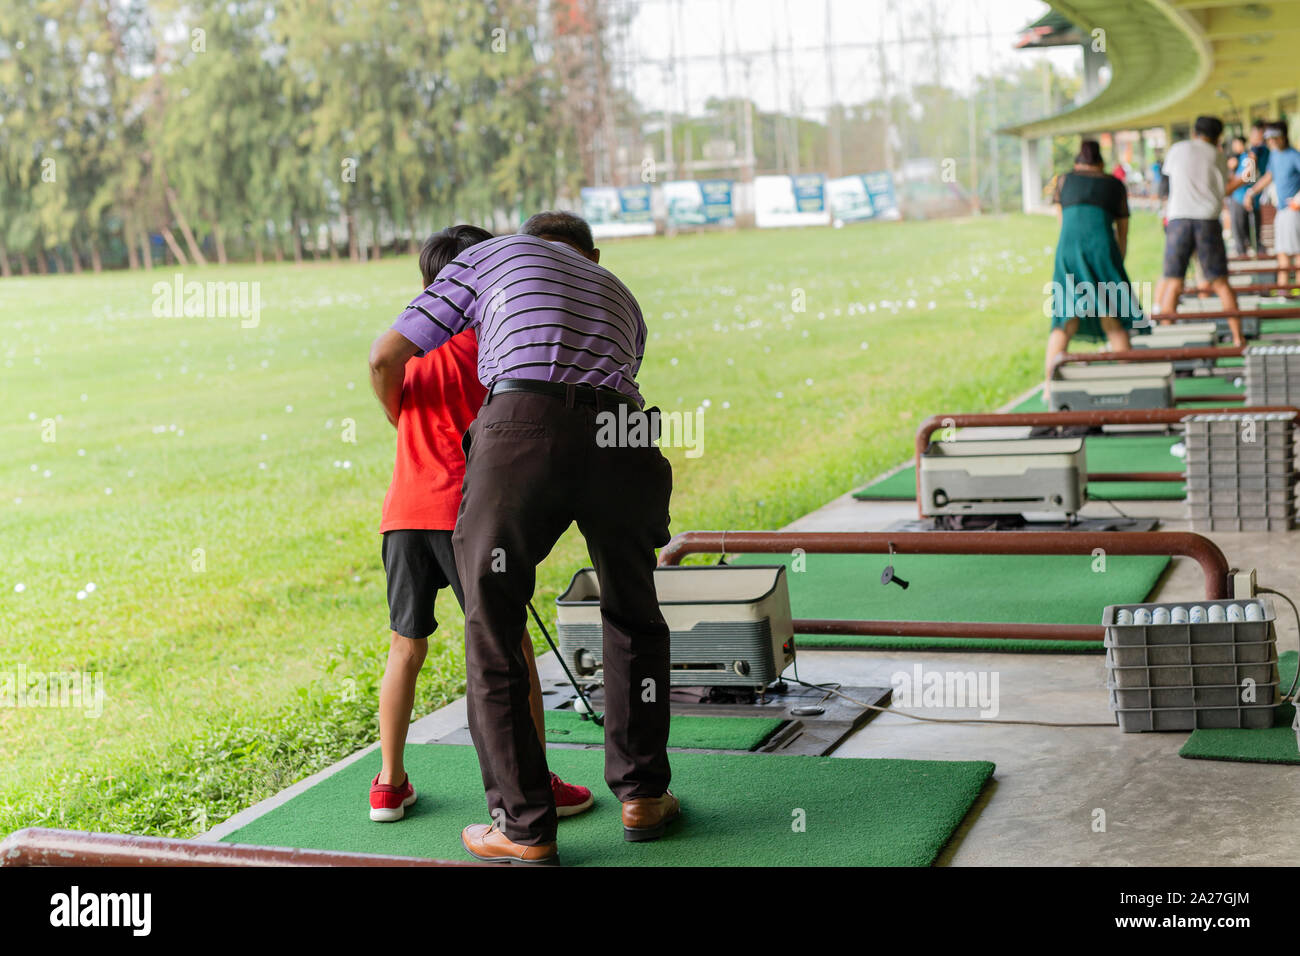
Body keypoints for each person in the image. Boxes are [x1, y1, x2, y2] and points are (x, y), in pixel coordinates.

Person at [369, 211, 677, 865]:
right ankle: (643, 796)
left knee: (493, 621)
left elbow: (386, 355)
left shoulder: (489, 256)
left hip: (524, 422)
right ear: (587, 254)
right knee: (633, 615)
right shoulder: (619, 290)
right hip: (625, 432)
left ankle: (525, 827)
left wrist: (397, 415)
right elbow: (616, 379)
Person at [366, 224, 594, 826]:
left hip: (403, 518)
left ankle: (388, 784)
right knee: (509, 647)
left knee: (404, 649)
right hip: (465, 517)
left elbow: (391, 388)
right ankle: (536, 778)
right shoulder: (490, 347)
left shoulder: (410, 357)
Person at [1045, 139, 1141, 398]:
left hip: (1068, 252)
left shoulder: (1063, 181)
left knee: (1064, 319)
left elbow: (1063, 222)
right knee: (1113, 318)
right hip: (1102, 251)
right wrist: (1115, 262)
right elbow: (1122, 233)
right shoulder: (1114, 184)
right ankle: (1130, 387)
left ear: (1078, 162)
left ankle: (1047, 389)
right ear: (1100, 163)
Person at [1156, 116, 1250, 344]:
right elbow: (1222, 191)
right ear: (1218, 136)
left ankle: (1166, 341)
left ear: (1195, 131)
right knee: (1220, 282)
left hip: (1178, 220)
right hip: (1207, 221)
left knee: (1173, 281)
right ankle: (1238, 338)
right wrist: (1244, 177)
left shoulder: (1177, 149)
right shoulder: (1217, 155)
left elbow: (1167, 182)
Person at [1243, 124, 1300, 288]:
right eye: (1269, 139)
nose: (1272, 142)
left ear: (1283, 137)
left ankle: (1296, 290)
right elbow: (1269, 175)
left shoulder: (1294, 155)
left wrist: (1298, 200)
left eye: (1274, 138)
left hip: (1294, 211)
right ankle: (1284, 290)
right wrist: (1251, 192)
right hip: (1281, 210)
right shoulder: (1274, 156)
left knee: (1297, 253)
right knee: (1281, 251)